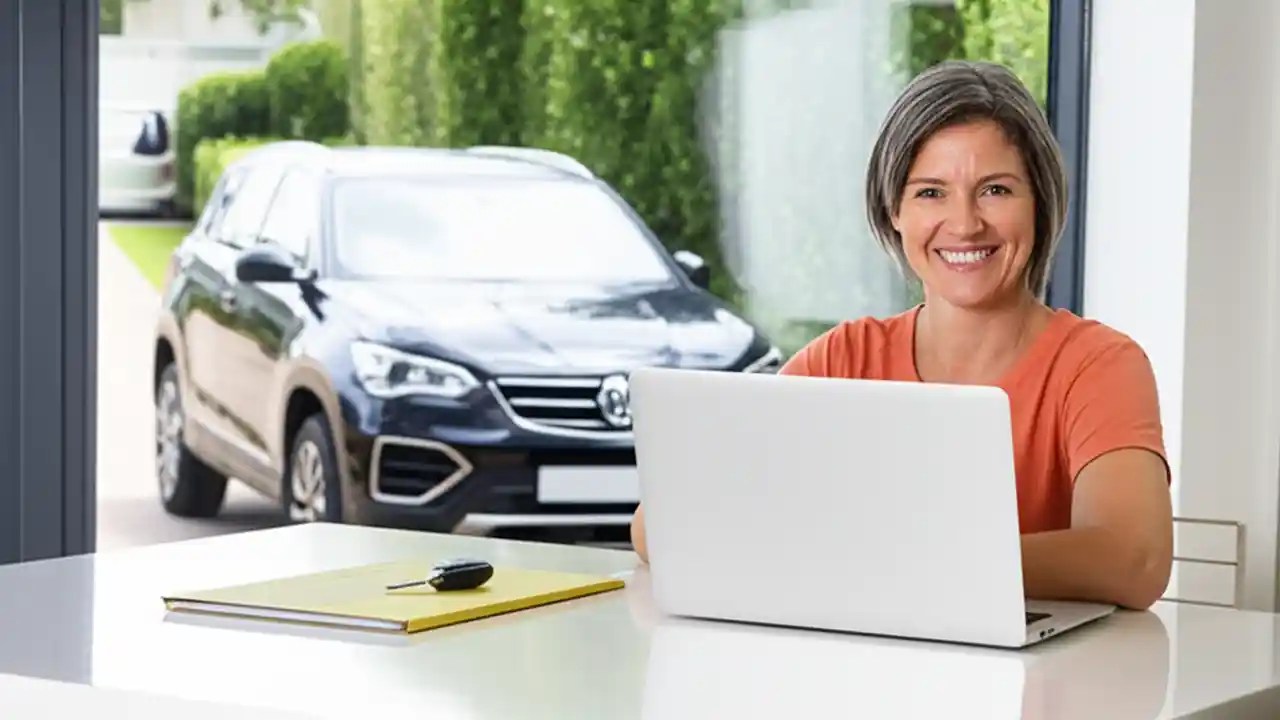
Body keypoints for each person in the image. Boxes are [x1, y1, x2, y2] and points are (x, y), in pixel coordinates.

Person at [629, 60, 1173, 611]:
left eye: (995, 190)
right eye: (931, 193)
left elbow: (1134, 560)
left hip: (1044, 665)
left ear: (1039, 203)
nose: (965, 224)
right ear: (894, 211)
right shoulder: (844, 361)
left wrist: (892, 560)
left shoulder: (1097, 366)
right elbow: (659, 528)